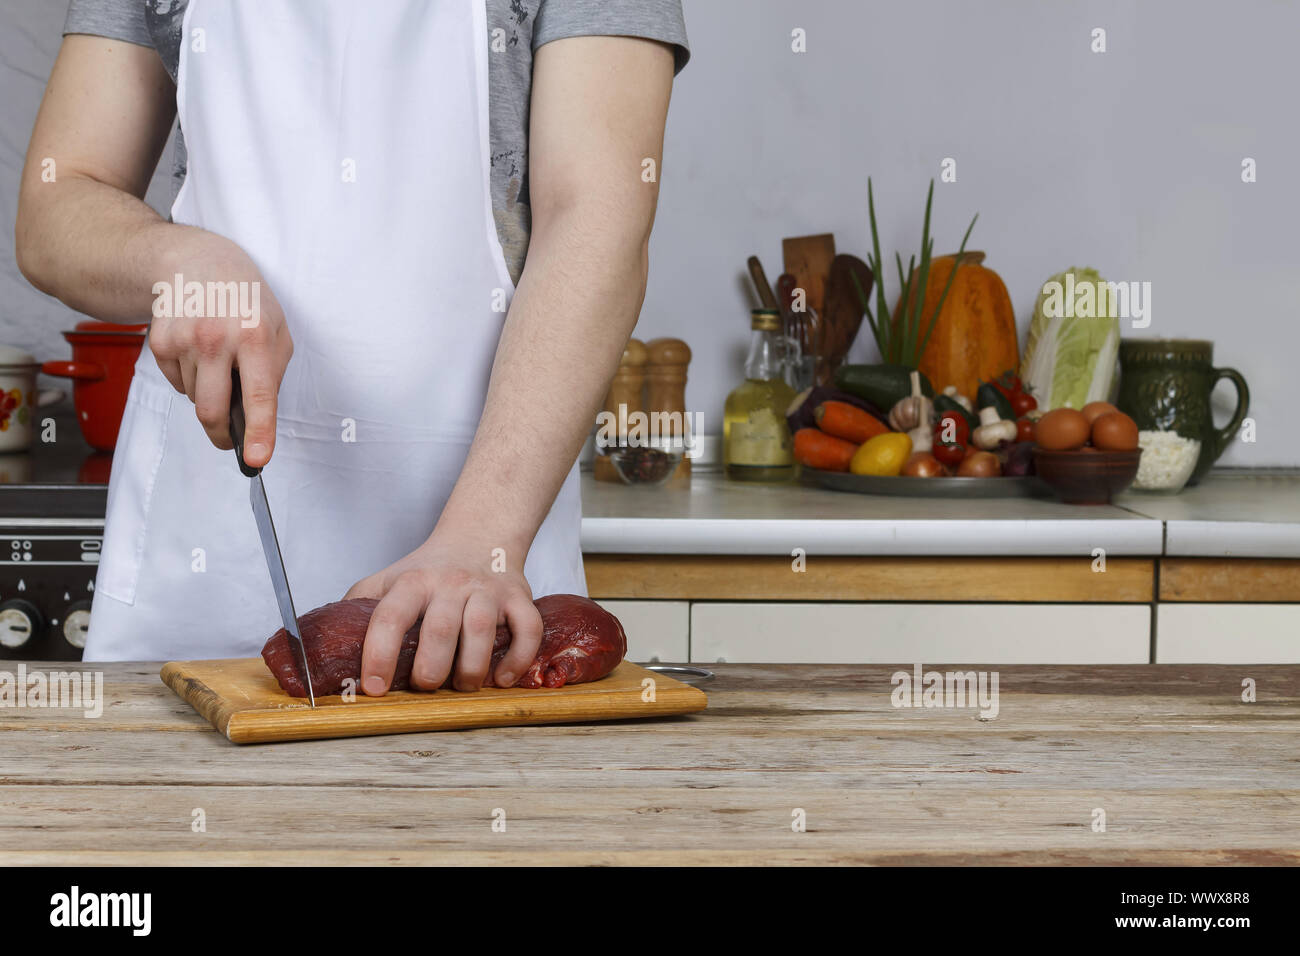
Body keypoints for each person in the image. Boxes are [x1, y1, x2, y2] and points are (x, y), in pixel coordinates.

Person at [15, 0, 688, 694]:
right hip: (207, 543)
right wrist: (174, 260)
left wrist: (483, 536)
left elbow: (598, 217)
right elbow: (57, 201)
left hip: (490, 541)